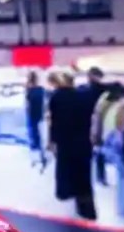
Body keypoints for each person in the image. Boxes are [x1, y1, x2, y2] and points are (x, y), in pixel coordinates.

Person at [47, 71, 96, 220]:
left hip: (65, 141)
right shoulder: (84, 95)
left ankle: (67, 193)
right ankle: (87, 209)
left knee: (66, 170)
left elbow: (54, 122)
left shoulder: (56, 97)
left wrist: (52, 141)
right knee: (84, 175)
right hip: (83, 141)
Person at [97, 83, 124, 218]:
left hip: (110, 143)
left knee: (122, 177)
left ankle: (122, 209)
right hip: (122, 144)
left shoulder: (104, 105)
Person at [85, 67, 110, 186]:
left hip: (90, 122)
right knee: (99, 149)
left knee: (91, 150)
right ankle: (101, 176)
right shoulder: (105, 90)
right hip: (100, 121)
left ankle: (95, 176)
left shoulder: (85, 90)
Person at [24, 71, 46, 169]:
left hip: (32, 114)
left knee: (33, 133)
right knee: (40, 133)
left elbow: (27, 105)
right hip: (40, 114)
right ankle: (41, 150)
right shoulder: (41, 90)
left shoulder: (29, 90)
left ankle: (35, 151)